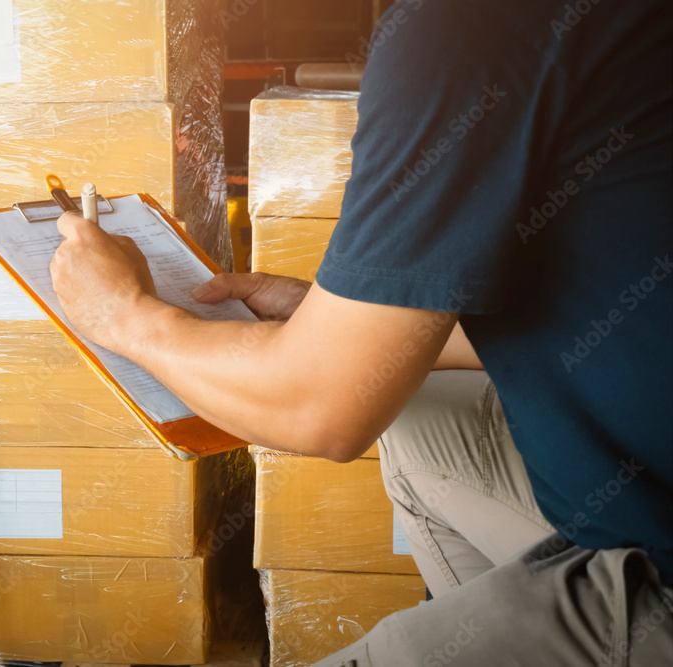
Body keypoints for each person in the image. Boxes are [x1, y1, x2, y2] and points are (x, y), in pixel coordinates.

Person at [49, 0, 672, 663]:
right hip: (633, 489)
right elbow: (587, 310)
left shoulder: (456, 31)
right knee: (423, 425)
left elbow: (322, 410)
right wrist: (333, 319)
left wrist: (126, 316)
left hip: (658, 572)